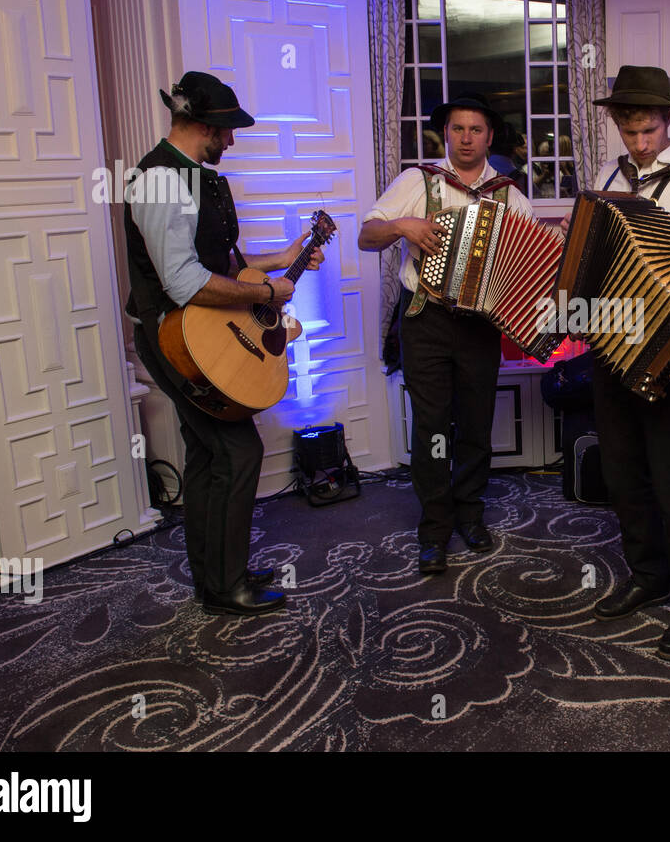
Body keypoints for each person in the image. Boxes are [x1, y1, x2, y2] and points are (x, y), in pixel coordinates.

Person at [124, 71, 324, 617]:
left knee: (211, 453)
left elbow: (220, 264)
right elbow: (183, 282)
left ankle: (217, 576)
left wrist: (281, 260)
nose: (231, 141)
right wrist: (264, 289)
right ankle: (225, 583)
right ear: (204, 124)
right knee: (237, 451)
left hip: (199, 335)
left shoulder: (197, 177)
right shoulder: (160, 180)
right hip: (174, 339)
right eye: (227, 130)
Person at [574, 66, 670, 660]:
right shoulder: (608, 176)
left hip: (664, 344)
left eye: (649, 129)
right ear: (616, 123)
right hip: (610, 341)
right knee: (621, 472)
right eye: (629, 129)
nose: (639, 142)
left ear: (668, 121)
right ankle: (647, 575)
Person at [358, 95, 531, 575]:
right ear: (446, 134)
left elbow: (530, 260)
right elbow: (365, 236)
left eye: (476, 130)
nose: (467, 138)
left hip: (480, 327)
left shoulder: (510, 195)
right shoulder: (418, 182)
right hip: (426, 322)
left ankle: (471, 516)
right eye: (458, 129)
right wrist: (401, 225)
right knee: (432, 428)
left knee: (475, 426)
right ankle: (434, 530)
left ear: (489, 137)